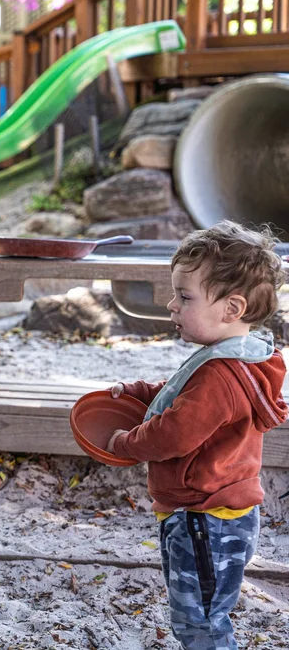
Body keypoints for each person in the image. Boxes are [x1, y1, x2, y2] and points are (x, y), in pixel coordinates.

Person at [106, 221, 287, 649]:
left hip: (206, 520)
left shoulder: (222, 376)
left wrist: (124, 443)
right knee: (201, 612)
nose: (171, 305)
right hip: (210, 515)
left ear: (231, 308)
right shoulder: (232, 359)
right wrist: (139, 392)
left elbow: (175, 433)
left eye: (184, 296)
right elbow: (182, 398)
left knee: (201, 622)